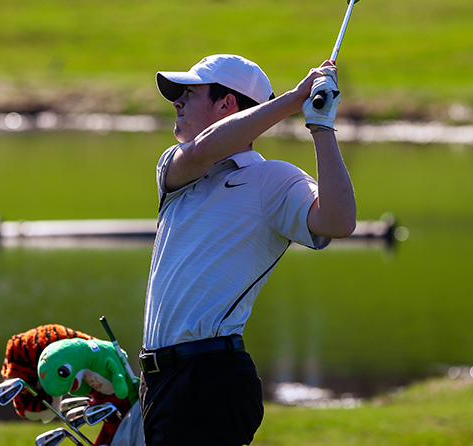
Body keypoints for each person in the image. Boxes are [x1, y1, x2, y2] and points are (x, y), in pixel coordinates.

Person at [138, 54, 356, 446]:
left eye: (190, 93)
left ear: (227, 104)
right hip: (158, 380)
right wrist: (294, 98)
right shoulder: (176, 167)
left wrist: (321, 126)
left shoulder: (272, 180)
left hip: (209, 375)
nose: (177, 102)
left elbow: (338, 222)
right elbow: (205, 150)